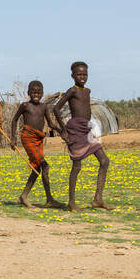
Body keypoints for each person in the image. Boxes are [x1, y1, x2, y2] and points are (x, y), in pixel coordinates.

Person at [50, 61, 113, 210]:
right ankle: (71, 203)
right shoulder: (72, 91)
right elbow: (56, 109)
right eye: (79, 74)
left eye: (85, 74)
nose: (82, 77)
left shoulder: (87, 91)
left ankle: (98, 199)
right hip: (75, 129)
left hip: (87, 129)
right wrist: (63, 130)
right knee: (77, 166)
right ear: (72, 75)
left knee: (104, 161)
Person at [9, 80, 63, 207]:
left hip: (39, 139)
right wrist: (12, 138)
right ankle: (49, 199)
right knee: (44, 165)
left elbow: (50, 123)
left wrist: (61, 130)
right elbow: (14, 120)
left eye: (39, 92)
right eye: (33, 92)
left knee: (37, 168)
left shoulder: (44, 107)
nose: (36, 94)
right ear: (28, 92)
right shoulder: (25, 106)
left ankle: (24, 196)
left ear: (42, 93)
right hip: (27, 137)